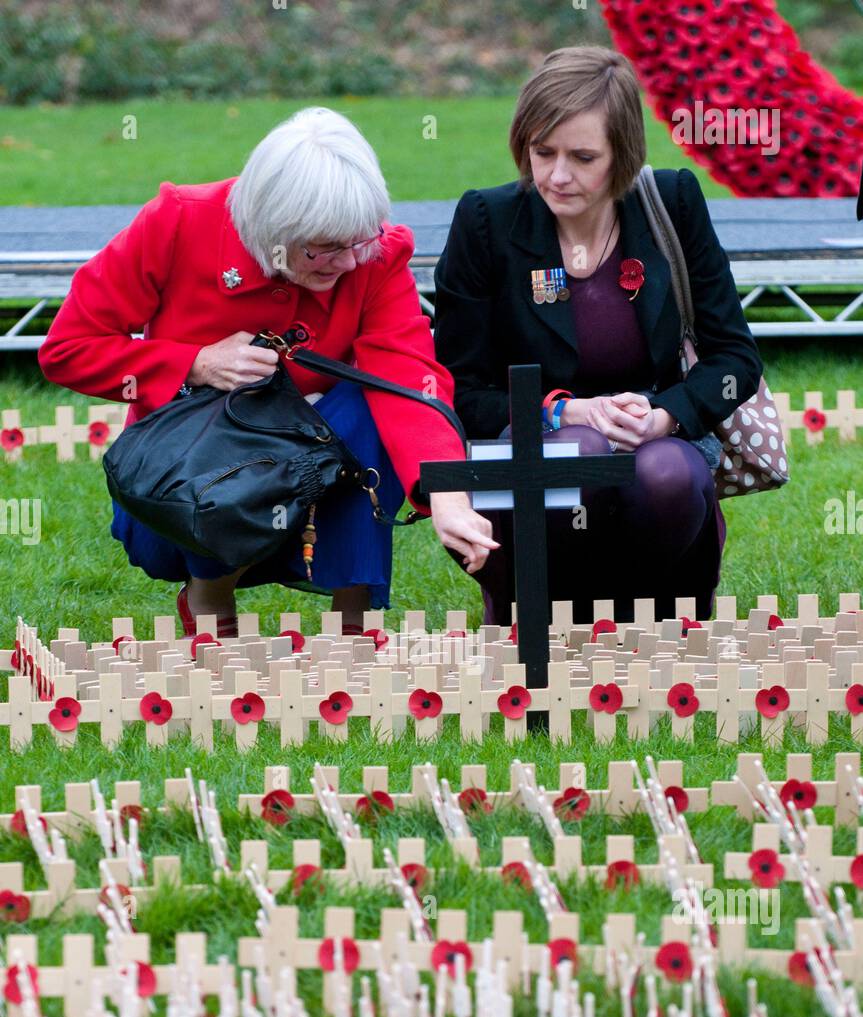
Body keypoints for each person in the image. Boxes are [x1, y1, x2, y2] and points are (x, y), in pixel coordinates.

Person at [38, 106, 494, 637]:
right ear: (272, 228)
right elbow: (68, 347)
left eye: (357, 242)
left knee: (368, 399)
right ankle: (211, 591)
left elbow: (407, 376)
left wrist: (446, 489)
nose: (348, 263)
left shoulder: (373, 255)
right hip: (192, 475)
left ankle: (356, 619)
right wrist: (194, 363)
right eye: (323, 248)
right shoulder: (177, 222)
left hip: (320, 460)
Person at [433, 46, 764, 627]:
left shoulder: (672, 204)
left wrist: (665, 415)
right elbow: (460, 388)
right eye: (542, 152)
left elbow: (734, 357)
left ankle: (658, 620)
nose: (558, 176)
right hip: (535, 445)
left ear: (624, 154)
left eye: (584, 157)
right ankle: (550, 619)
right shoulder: (486, 222)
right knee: (576, 457)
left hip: (656, 440)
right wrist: (565, 413)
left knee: (667, 473)